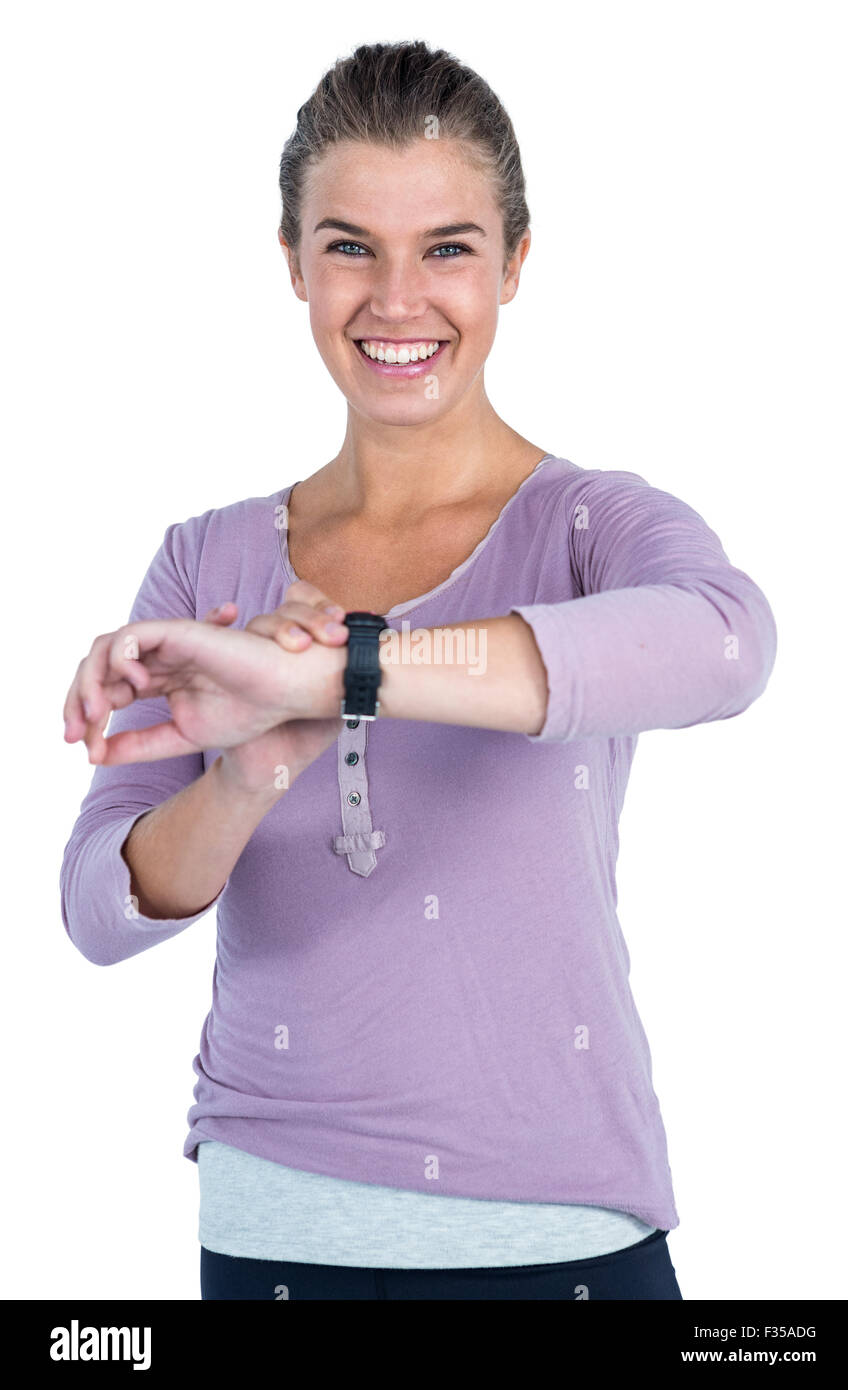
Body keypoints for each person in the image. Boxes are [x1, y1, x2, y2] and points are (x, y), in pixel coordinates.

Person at [60, 39, 777, 1301]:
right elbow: (98, 909)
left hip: (556, 1243)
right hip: (273, 1233)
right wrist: (250, 772)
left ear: (513, 263)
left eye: (445, 247)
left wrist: (343, 668)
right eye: (349, 246)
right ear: (291, 262)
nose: (397, 300)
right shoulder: (205, 559)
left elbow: (724, 641)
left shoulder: (588, 526)